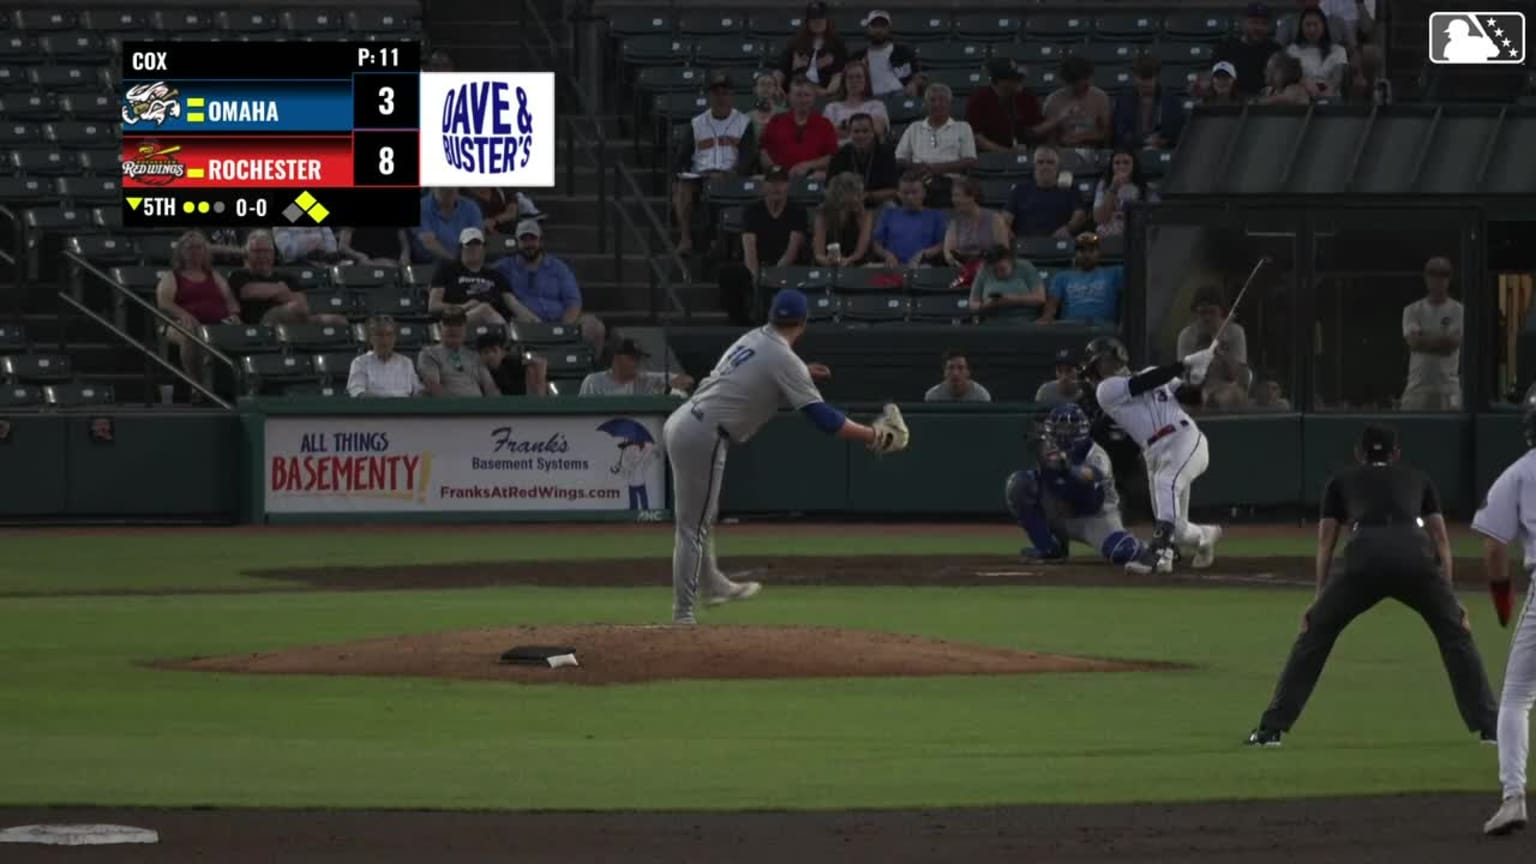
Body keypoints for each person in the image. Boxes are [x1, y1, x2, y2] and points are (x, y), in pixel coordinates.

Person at [663, 289, 909, 624]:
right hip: (702, 435)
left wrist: (801, 371)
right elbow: (823, 419)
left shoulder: (757, 337)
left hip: (689, 422)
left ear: (772, 316)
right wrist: (875, 436)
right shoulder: (784, 360)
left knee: (700, 521)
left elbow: (756, 369)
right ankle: (683, 615)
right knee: (692, 527)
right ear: (804, 323)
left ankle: (714, 585)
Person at [1247, 425, 1498, 751]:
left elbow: (1326, 545)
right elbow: (1442, 543)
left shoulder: (1340, 480)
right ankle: (1491, 729)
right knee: (1456, 637)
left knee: (1315, 635)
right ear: (1396, 455)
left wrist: (1318, 602)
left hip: (1364, 555)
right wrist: (1451, 602)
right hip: (1414, 555)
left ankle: (1271, 731)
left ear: (1358, 453)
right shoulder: (1418, 478)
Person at [1080, 335, 1224, 574]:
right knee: (1175, 528)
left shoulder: (1154, 373)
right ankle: (1205, 534)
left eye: (1103, 361)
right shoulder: (1106, 391)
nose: (1101, 368)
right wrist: (1186, 363)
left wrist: (1197, 380)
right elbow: (1143, 384)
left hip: (1184, 439)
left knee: (1165, 482)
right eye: (1098, 364)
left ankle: (1158, 553)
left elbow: (1193, 399)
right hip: (1155, 452)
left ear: (1118, 357)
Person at [1473, 392, 1536, 836]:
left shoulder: (1518, 473)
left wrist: (1501, 596)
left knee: (1516, 696)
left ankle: (1513, 797)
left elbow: (1494, 545)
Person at [1005, 403, 1158, 568]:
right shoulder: (1045, 447)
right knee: (1019, 484)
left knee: (1123, 552)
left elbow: (1091, 476)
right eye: (1059, 429)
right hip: (1059, 512)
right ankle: (1049, 548)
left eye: (1068, 429)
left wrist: (1068, 467)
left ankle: (1155, 548)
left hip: (1095, 517)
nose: (1063, 434)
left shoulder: (1096, 453)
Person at [672, 71, 756, 254]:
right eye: (716, 93)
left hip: (731, 177)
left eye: (725, 93)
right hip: (701, 177)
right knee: (681, 187)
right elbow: (681, 158)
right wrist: (687, 173)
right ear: (709, 96)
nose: (721, 98)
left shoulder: (743, 122)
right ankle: (685, 238)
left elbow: (748, 158)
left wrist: (733, 173)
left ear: (732, 95)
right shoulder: (697, 123)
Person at [496, 220, 606, 355]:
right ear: (516, 242)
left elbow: (573, 301)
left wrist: (563, 330)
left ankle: (588, 372)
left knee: (594, 327)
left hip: (561, 321)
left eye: (533, 239)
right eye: (524, 240)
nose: (529, 244)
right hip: (526, 323)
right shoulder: (504, 267)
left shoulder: (558, 267)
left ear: (541, 241)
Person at [155, 229, 241, 383]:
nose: (195, 252)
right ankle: (196, 384)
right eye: (190, 248)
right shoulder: (173, 276)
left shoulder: (214, 275)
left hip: (215, 324)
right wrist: (184, 314)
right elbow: (164, 302)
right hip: (179, 324)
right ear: (181, 252)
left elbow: (230, 299)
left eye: (199, 247)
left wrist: (234, 314)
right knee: (190, 333)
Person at [1401, 256, 1462, 411]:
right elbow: (1414, 342)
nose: (1438, 278)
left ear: (1449, 278)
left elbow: (1452, 343)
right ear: (1426, 277)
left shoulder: (1459, 311)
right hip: (1417, 389)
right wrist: (1441, 340)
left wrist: (1424, 337)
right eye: (1433, 273)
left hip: (1448, 390)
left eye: (1444, 273)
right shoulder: (1412, 310)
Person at [429, 227, 522, 327]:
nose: (473, 248)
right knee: (484, 310)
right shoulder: (447, 270)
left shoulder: (495, 275)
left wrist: (533, 321)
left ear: (484, 248)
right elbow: (433, 306)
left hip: (492, 320)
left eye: (477, 244)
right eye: (468, 244)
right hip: (456, 320)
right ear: (461, 248)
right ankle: (507, 336)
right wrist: (463, 307)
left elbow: (513, 304)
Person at [760, 76, 839, 178]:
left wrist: (808, 166)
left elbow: (831, 157)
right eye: (798, 95)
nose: (802, 100)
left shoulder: (824, 124)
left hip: (812, 176)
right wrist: (776, 170)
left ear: (813, 97)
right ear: (789, 97)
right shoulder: (776, 121)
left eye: (806, 95)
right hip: (779, 177)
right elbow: (763, 151)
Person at [1041, 232, 1125, 325]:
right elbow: (1052, 305)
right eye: (1082, 250)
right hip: (1070, 326)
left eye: (1091, 250)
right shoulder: (1062, 277)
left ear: (1099, 253)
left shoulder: (1114, 273)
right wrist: (1046, 318)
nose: (1087, 254)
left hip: (1104, 327)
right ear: (1075, 253)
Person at [416, 308, 499, 397]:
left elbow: (490, 386)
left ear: (465, 328)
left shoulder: (474, 356)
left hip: (477, 407)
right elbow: (432, 385)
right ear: (440, 327)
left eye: (458, 324)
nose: (453, 328)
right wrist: (456, 406)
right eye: (448, 324)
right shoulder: (429, 353)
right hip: (447, 407)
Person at [966, 59, 1042, 153]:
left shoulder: (1027, 96)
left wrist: (1057, 119)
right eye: (1015, 78)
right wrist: (1008, 153)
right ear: (1000, 81)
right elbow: (977, 137)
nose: (1020, 81)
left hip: (1027, 153)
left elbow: (1036, 129)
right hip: (991, 157)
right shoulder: (980, 99)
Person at [873, 170, 946, 268]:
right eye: (905, 193)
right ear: (898, 194)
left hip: (922, 266)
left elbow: (942, 244)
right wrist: (887, 255)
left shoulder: (936, 216)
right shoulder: (888, 214)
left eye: (914, 192)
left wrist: (925, 253)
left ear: (924, 193)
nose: (910, 197)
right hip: (891, 265)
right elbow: (877, 244)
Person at [826, 113, 900, 205]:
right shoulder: (840, 154)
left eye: (865, 131)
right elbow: (829, 186)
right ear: (850, 133)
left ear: (873, 132)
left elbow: (893, 190)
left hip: (877, 202)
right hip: (846, 203)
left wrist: (868, 195)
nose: (861, 136)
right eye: (856, 131)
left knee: (890, 204)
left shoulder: (885, 153)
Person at [775, 1, 847, 96]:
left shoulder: (837, 44)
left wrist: (827, 92)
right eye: (813, 19)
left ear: (827, 20)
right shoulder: (795, 43)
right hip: (797, 90)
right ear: (807, 22)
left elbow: (838, 74)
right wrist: (777, 85)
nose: (817, 22)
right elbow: (781, 69)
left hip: (824, 91)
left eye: (821, 18)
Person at [579, 338, 693, 396]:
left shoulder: (647, 380)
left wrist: (668, 387)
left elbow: (688, 380)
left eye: (638, 358)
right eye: (632, 358)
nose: (637, 362)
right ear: (616, 358)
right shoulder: (594, 381)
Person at [346, 315, 422, 398]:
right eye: (380, 335)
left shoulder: (406, 363)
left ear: (394, 338)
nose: (385, 340)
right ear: (371, 338)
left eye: (389, 335)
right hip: (373, 408)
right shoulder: (360, 363)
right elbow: (357, 391)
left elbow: (417, 391)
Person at [849, 9, 919, 98]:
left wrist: (914, 83)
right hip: (869, 98)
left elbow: (919, 75)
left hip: (898, 96)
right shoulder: (858, 56)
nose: (878, 30)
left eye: (882, 26)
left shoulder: (904, 52)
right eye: (874, 26)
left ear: (889, 29)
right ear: (867, 29)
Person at [968, 245, 1046, 322]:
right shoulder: (984, 270)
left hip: (1025, 320)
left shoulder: (1025, 267)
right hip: (993, 323)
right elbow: (972, 305)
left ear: (1011, 261)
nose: (999, 274)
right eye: (994, 271)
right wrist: (985, 306)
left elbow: (1040, 298)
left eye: (1002, 269)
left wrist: (1012, 300)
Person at [942, 177, 1008, 268]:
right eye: (953, 196)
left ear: (972, 196)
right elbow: (948, 252)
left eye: (957, 195)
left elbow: (1003, 249)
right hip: (963, 269)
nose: (954, 200)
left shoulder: (994, 219)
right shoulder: (954, 222)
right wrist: (954, 262)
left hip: (990, 269)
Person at [1091, 149, 1156, 238]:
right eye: (1117, 163)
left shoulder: (1145, 187)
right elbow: (1099, 218)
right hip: (1108, 236)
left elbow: (1153, 218)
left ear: (1134, 165)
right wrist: (1113, 188)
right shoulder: (1103, 185)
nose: (1121, 167)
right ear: (1112, 166)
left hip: (1136, 237)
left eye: (1126, 163)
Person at [811, 172, 873, 267]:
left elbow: (860, 252)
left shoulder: (864, 215)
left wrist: (847, 261)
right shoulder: (823, 213)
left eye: (859, 195)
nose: (857, 199)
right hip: (826, 265)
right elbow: (819, 254)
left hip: (856, 265)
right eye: (854, 194)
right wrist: (828, 261)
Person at [1286, 7, 1348, 98]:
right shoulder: (1292, 50)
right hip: (1301, 98)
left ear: (1323, 26)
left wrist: (1319, 89)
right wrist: (1312, 88)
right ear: (1301, 27)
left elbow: (1336, 81)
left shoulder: (1339, 51)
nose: (1312, 29)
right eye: (1308, 25)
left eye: (1315, 24)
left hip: (1330, 98)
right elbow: (1293, 79)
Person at [822, 60, 888, 143]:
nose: (854, 81)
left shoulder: (876, 105)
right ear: (844, 81)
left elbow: (878, 128)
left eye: (859, 77)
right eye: (850, 77)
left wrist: (843, 125)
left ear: (866, 81)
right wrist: (864, 126)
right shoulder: (831, 108)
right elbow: (825, 135)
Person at [477, 332, 548, 397]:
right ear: (479, 355)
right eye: (486, 352)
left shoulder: (516, 369)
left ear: (503, 353)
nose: (490, 355)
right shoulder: (475, 372)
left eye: (494, 350)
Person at [924, 352, 991, 402]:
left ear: (968, 372)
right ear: (944, 372)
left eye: (960, 368)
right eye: (951, 368)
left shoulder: (981, 396)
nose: (955, 373)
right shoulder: (933, 396)